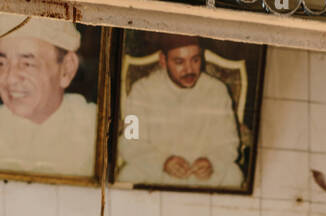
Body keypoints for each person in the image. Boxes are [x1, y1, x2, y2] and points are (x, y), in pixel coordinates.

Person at [117, 33, 243, 188]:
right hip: (157, 172)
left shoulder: (217, 91)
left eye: (195, 60)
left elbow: (229, 141)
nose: (189, 69)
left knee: (233, 174)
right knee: (128, 174)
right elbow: (130, 141)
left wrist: (212, 161)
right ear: (163, 61)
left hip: (204, 176)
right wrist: (163, 162)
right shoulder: (141, 91)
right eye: (179, 62)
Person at [0, 17, 97, 178]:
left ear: (67, 69)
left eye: (27, 64)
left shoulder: (96, 128)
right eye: (1, 64)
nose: (10, 78)